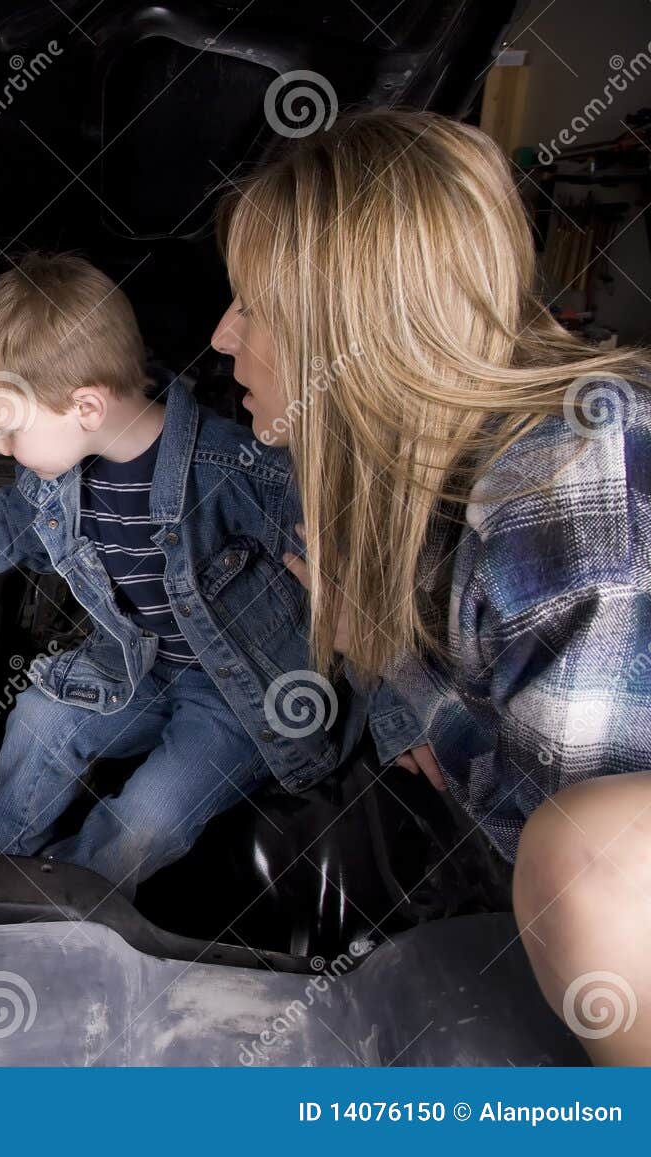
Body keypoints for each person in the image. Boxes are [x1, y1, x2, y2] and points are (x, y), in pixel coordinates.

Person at [211, 108, 651, 1063]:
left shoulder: (562, 490)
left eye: (252, 304)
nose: (220, 336)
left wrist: (398, 665)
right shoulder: (428, 478)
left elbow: (557, 857)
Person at [0, 253, 353, 897]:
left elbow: (363, 599)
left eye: (7, 429)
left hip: (240, 694)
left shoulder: (243, 472)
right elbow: (20, 531)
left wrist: (402, 717)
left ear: (85, 406)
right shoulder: (62, 473)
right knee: (37, 722)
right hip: (138, 664)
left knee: (146, 822)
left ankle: (58, 909)